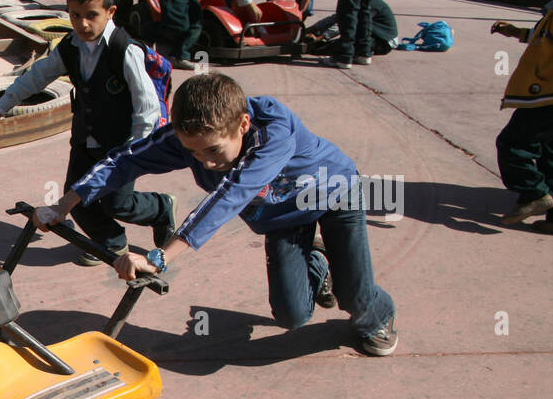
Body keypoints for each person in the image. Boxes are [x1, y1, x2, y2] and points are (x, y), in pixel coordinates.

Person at [34, 71, 399, 357]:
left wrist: (160, 256)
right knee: (293, 317)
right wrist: (61, 207)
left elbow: (229, 196)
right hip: (284, 217)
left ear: (242, 124)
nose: (205, 162)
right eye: (193, 153)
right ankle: (317, 262)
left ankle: (377, 320)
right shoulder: (193, 137)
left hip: (335, 192)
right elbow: (122, 161)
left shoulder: (275, 132)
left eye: (213, 151)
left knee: (354, 297)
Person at [0, 0, 176, 265]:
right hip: (85, 139)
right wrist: (1, 105)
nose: (82, 24)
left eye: (91, 15)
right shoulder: (69, 47)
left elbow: (146, 107)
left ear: (110, 12)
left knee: (118, 204)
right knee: (78, 199)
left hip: (121, 145)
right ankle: (112, 242)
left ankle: (160, 208)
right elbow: (37, 76)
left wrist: (132, 152)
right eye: (74, 15)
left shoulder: (125, 51)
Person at [491, 0, 553, 232]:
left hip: (546, 97)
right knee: (549, 154)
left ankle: (533, 194)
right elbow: (543, 37)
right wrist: (516, 32)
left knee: (512, 144)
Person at [305, 0, 397, 55]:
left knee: (328, 49)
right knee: (322, 46)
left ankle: (361, 55)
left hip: (383, 42)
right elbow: (336, 18)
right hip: (369, 35)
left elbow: (345, 23)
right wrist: (308, 30)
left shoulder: (366, 4)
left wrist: (319, 38)